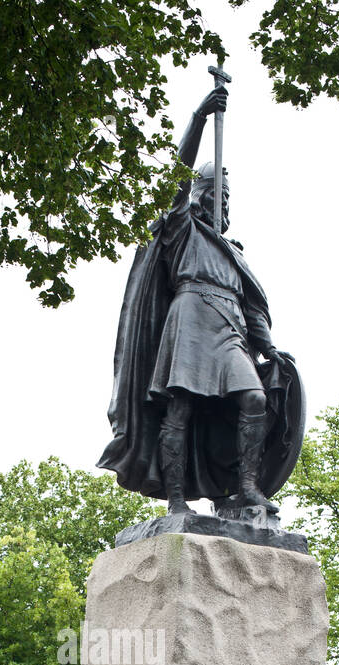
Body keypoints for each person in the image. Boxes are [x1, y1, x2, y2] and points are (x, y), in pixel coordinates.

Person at [98, 84, 301, 515]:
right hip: (189, 319)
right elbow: (175, 176)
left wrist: (266, 347)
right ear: (199, 195)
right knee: (181, 408)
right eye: (215, 193)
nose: (222, 201)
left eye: (226, 196)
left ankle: (246, 487)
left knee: (255, 399)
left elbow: (252, 306)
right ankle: (176, 502)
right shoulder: (183, 229)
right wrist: (198, 118)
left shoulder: (234, 252)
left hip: (231, 330)